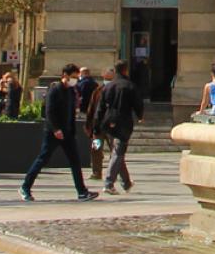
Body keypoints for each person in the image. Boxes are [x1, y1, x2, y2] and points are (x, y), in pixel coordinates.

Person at [20, 64, 97, 202]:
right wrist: (55, 129)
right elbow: (49, 112)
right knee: (42, 159)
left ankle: (82, 192)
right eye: (73, 77)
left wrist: (72, 130)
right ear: (65, 75)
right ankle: (25, 186)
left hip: (67, 132)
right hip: (53, 132)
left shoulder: (71, 91)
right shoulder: (55, 90)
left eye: (77, 77)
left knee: (75, 161)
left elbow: (71, 112)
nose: (75, 80)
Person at [98, 59, 144, 195]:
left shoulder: (108, 86)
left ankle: (126, 183)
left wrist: (98, 123)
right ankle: (109, 183)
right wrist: (140, 115)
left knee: (117, 152)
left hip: (108, 121)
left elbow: (100, 107)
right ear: (125, 70)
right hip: (123, 122)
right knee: (118, 152)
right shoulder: (129, 86)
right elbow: (138, 103)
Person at [84, 65, 115, 179]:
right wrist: (90, 125)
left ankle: (114, 173)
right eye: (106, 76)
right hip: (98, 128)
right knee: (95, 148)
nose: (107, 79)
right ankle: (96, 172)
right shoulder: (97, 91)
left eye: (110, 77)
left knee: (114, 150)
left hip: (112, 127)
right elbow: (91, 109)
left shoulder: (117, 90)